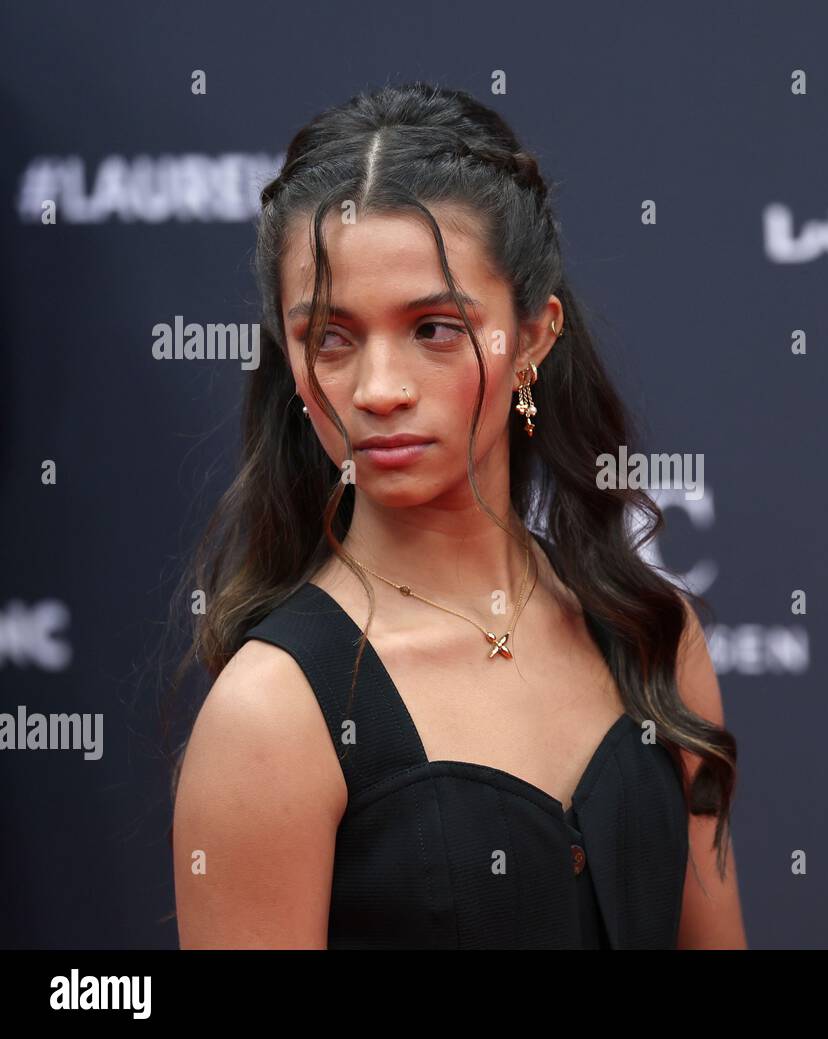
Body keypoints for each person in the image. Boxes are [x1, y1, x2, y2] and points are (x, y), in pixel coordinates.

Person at [167, 82, 745, 949]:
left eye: (435, 328)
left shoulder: (649, 633)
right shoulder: (272, 713)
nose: (379, 390)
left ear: (535, 336)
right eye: (330, 336)